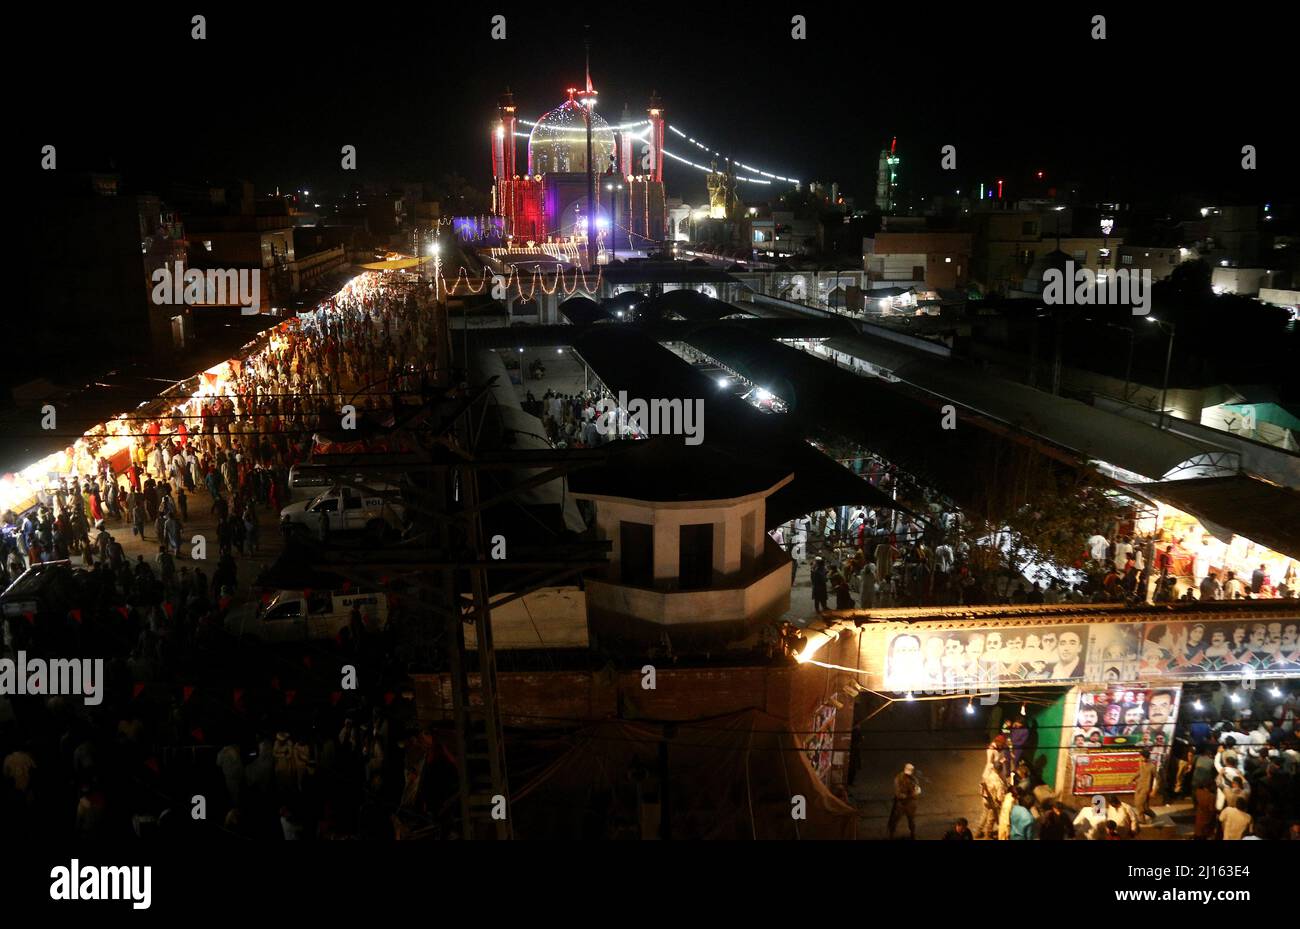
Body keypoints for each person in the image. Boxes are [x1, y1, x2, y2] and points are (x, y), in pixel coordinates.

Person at [888, 762, 920, 840]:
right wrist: (908, 795)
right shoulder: (898, 779)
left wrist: (914, 793)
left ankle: (913, 834)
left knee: (911, 820)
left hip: (910, 804)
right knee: (894, 820)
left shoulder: (914, 779)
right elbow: (898, 793)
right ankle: (891, 835)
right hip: (900, 804)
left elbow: (917, 790)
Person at [1133, 749, 1156, 821]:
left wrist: (1154, 790)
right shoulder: (1141, 763)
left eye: (1141, 756)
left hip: (1146, 789)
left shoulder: (1152, 767)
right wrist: (1132, 778)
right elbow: (1140, 771)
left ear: (1145, 757)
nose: (1140, 757)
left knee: (1138, 804)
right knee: (1145, 807)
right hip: (1139, 787)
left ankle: (1142, 820)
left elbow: (1157, 779)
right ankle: (1153, 815)